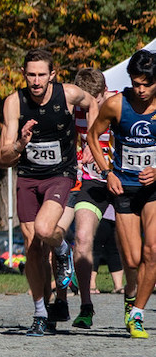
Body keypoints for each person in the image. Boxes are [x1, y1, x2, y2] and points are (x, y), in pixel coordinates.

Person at [0, 48, 100, 336]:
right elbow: (2, 158)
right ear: (24, 74)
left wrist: (91, 141)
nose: (36, 80)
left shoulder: (67, 93)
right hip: (28, 177)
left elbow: (93, 104)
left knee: (43, 229)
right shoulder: (14, 103)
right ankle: (41, 312)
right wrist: (20, 144)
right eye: (31, 74)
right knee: (33, 248)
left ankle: (62, 249)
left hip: (60, 175)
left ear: (52, 74)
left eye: (42, 74)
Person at [87, 49, 156, 338]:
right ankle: (130, 296)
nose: (140, 90)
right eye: (135, 83)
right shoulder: (116, 104)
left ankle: (137, 314)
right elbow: (92, 136)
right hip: (124, 187)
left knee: (153, 252)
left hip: (153, 189)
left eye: (146, 85)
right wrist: (107, 172)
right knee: (132, 260)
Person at [66, 68, 110, 328]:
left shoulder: (119, 107)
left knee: (136, 251)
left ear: (104, 93)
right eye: (86, 100)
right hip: (92, 184)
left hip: (125, 182)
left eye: (96, 99)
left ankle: (133, 301)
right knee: (81, 238)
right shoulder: (74, 113)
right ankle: (85, 305)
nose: (90, 105)